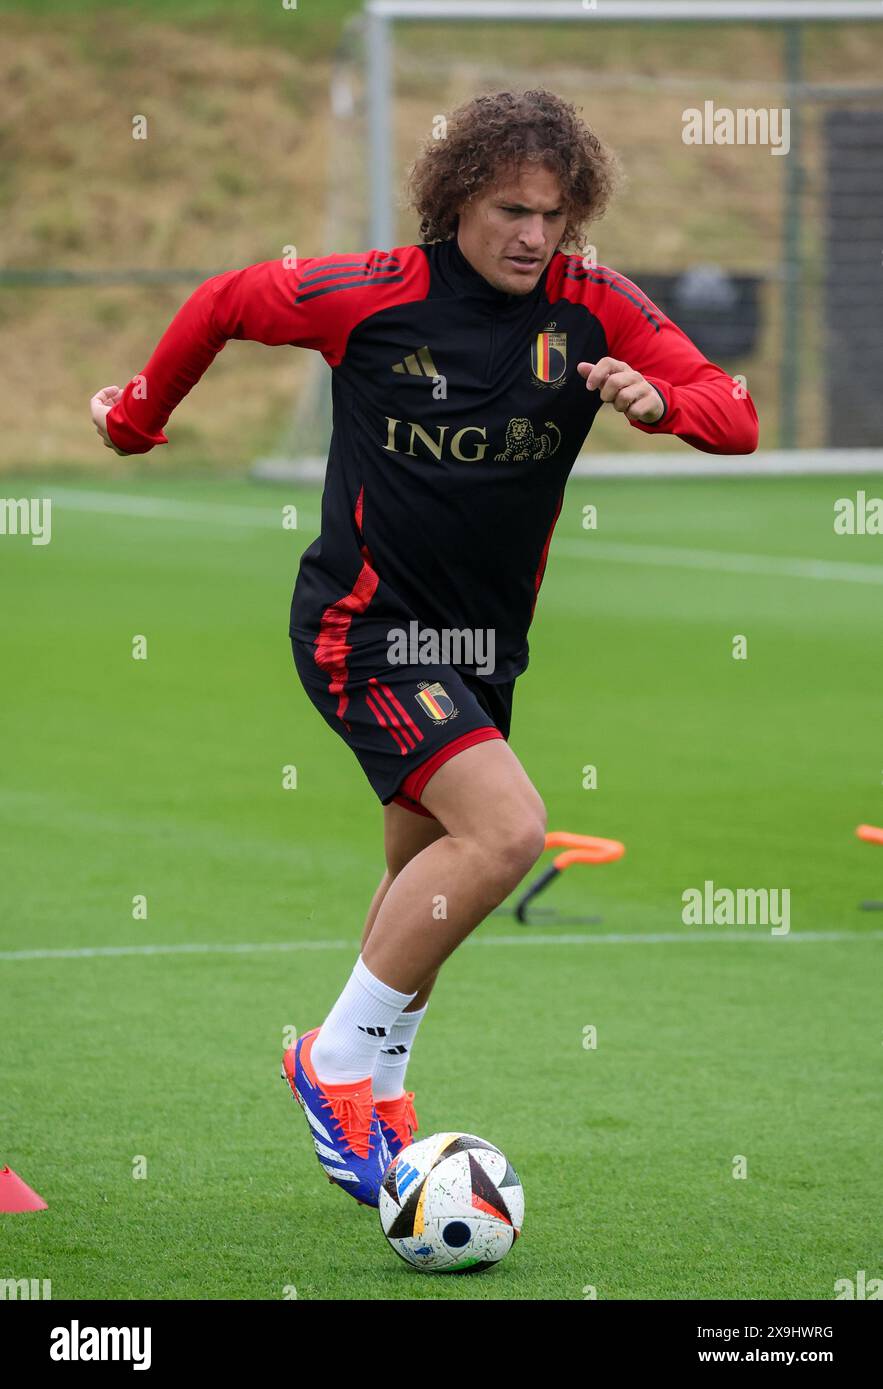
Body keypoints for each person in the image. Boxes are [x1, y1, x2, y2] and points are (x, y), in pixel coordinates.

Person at [91, 89, 758, 1209]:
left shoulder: (594, 305)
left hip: (482, 647)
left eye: (553, 215)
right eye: (510, 210)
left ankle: (385, 1089)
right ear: (456, 202)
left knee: (424, 877)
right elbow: (223, 300)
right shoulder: (371, 293)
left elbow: (732, 413)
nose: (533, 236)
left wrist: (659, 403)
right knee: (506, 831)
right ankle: (331, 1062)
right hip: (363, 629)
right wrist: (136, 418)